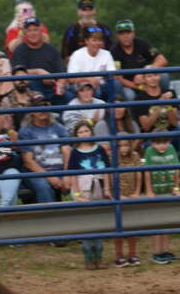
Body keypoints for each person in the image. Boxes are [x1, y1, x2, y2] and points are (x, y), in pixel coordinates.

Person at [65, 121, 111, 268]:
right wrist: (77, 193)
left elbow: (107, 171)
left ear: (91, 132)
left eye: (86, 131)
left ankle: (99, 256)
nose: (84, 134)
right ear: (76, 135)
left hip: (99, 186)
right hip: (83, 188)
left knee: (98, 222)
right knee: (86, 222)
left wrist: (107, 189)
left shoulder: (100, 150)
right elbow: (73, 175)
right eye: (80, 132)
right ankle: (88, 257)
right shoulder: (75, 152)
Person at [133, 71, 180, 170]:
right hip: (153, 138)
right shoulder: (139, 99)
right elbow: (146, 126)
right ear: (144, 79)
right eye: (149, 76)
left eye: (155, 75)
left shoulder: (170, 93)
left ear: (159, 77)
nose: (153, 78)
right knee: (148, 146)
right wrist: (159, 104)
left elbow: (174, 122)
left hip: (170, 135)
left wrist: (168, 104)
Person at [142, 127, 180, 264]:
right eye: (158, 143)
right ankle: (156, 252)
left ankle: (165, 250)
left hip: (168, 189)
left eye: (164, 142)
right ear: (152, 143)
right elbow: (147, 171)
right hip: (155, 190)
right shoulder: (149, 151)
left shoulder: (171, 149)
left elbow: (177, 168)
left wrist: (177, 187)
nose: (162, 146)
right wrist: (149, 190)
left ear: (169, 141)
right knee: (156, 223)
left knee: (167, 223)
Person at [18, 101, 70, 203]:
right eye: (38, 106)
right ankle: (50, 217)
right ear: (31, 111)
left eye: (45, 106)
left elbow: (67, 152)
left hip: (60, 169)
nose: (42, 110)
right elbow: (28, 162)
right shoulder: (26, 131)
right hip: (37, 172)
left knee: (79, 179)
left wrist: (67, 174)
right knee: (43, 186)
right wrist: (50, 177)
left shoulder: (58, 127)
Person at [11, 18, 67, 103]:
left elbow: (62, 72)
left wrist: (60, 84)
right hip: (31, 89)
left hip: (53, 88)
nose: (33, 33)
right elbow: (17, 73)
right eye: (29, 30)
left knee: (70, 96)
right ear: (25, 33)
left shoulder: (51, 49)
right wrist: (38, 72)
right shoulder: (20, 50)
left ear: (41, 31)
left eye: (35, 30)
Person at [111, 19, 168, 100]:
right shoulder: (114, 51)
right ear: (117, 36)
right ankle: (133, 112)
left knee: (164, 76)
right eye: (121, 33)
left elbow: (162, 60)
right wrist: (139, 87)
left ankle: (168, 104)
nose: (125, 36)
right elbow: (118, 78)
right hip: (130, 85)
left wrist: (145, 73)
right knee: (129, 95)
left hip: (149, 79)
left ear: (134, 33)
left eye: (128, 32)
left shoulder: (143, 43)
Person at [113, 137, 144, 267]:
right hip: (119, 195)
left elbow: (139, 173)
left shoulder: (135, 155)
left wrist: (137, 192)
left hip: (132, 194)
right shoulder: (113, 157)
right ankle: (119, 256)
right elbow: (111, 175)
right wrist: (117, 194)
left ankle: (132, 254)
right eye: (120, 146)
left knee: (132, 226)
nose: (123, 148)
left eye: (126, 145)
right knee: (118, 227)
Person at [66, 26, 117, 100]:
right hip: (83, 85)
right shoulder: (77, 54)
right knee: (94, 90)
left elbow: (113, 74)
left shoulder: (106, 54)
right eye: (94, 40)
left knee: (116, 84)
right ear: (86, 41)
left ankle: (110, 109)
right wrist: (88, 79)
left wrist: (98, 81)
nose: (97, 43)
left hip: (102, 85)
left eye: (100, 40)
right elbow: (71, 78)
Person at [0, 65, 36, 129]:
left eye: (24, 77)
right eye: (18, 77)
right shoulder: (7, 99)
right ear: (13, 80)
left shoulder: (36, 96)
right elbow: (6, 124)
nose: (21, 80)